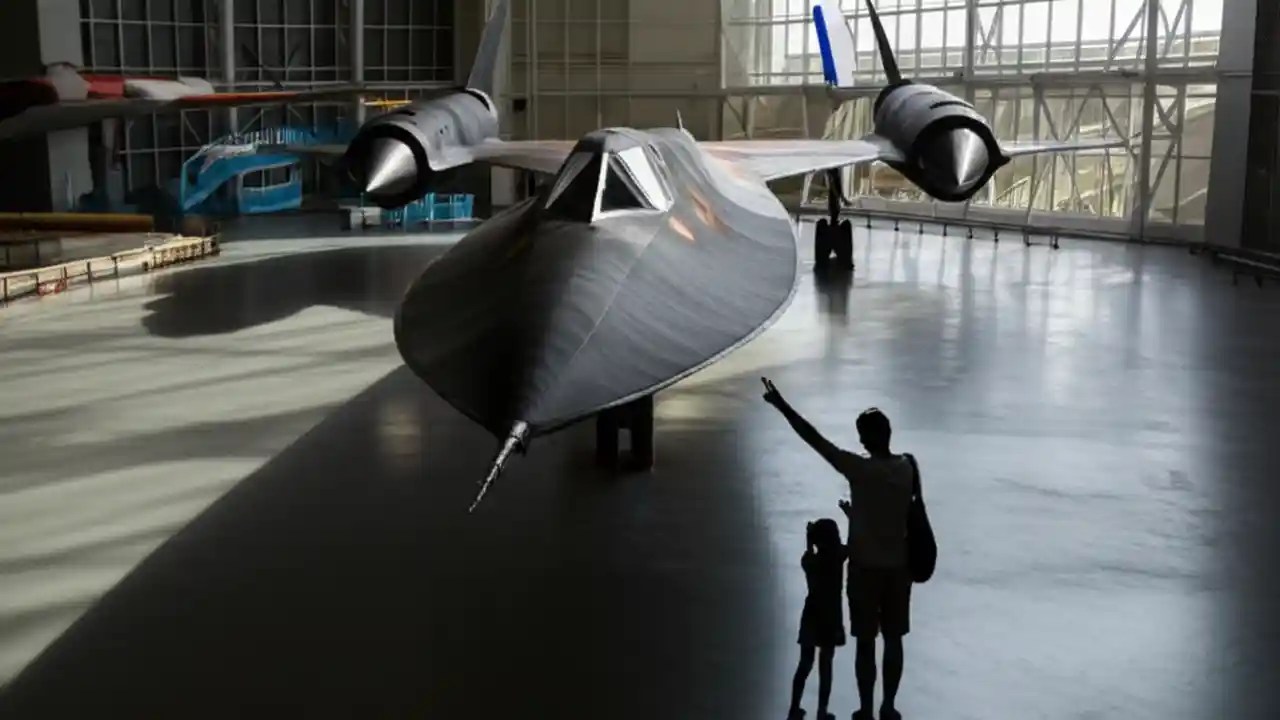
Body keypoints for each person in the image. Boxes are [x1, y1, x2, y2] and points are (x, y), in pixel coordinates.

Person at [762, 378, 916, 720]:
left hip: (864, 569)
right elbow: (897, 513)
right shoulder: (907, 468)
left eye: (862, 435)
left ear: (868, 437)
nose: (859, 440)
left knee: (865, 642)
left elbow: (815, 440)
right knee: (893, 639)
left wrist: (782, 405)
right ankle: (888, 706)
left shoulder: (859, 470)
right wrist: (856, 514)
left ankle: (865, 707)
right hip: (898, 567)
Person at [788, 518, 848, 720]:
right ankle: (822, 710)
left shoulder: (810, 562)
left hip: (811, 615)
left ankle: (794, 707)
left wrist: (808, 539)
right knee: (826, 665)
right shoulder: (838, 558)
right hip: (831, 617)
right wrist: (851, 516)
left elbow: (809, 556)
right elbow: (853, 544)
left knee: (805, 663)